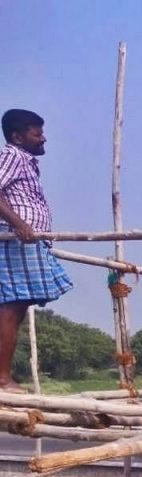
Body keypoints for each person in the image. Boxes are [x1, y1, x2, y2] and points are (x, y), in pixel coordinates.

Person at [0, 109, 72, 392]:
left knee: (18, 306)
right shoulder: (12, 155)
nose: (43, 138)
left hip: (26, 239)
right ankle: (2, 378)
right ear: (17, 137)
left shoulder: (25, 161)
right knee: (11, 305)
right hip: (16, 240)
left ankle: (4, 376)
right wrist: (19, 224)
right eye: (36, 133)